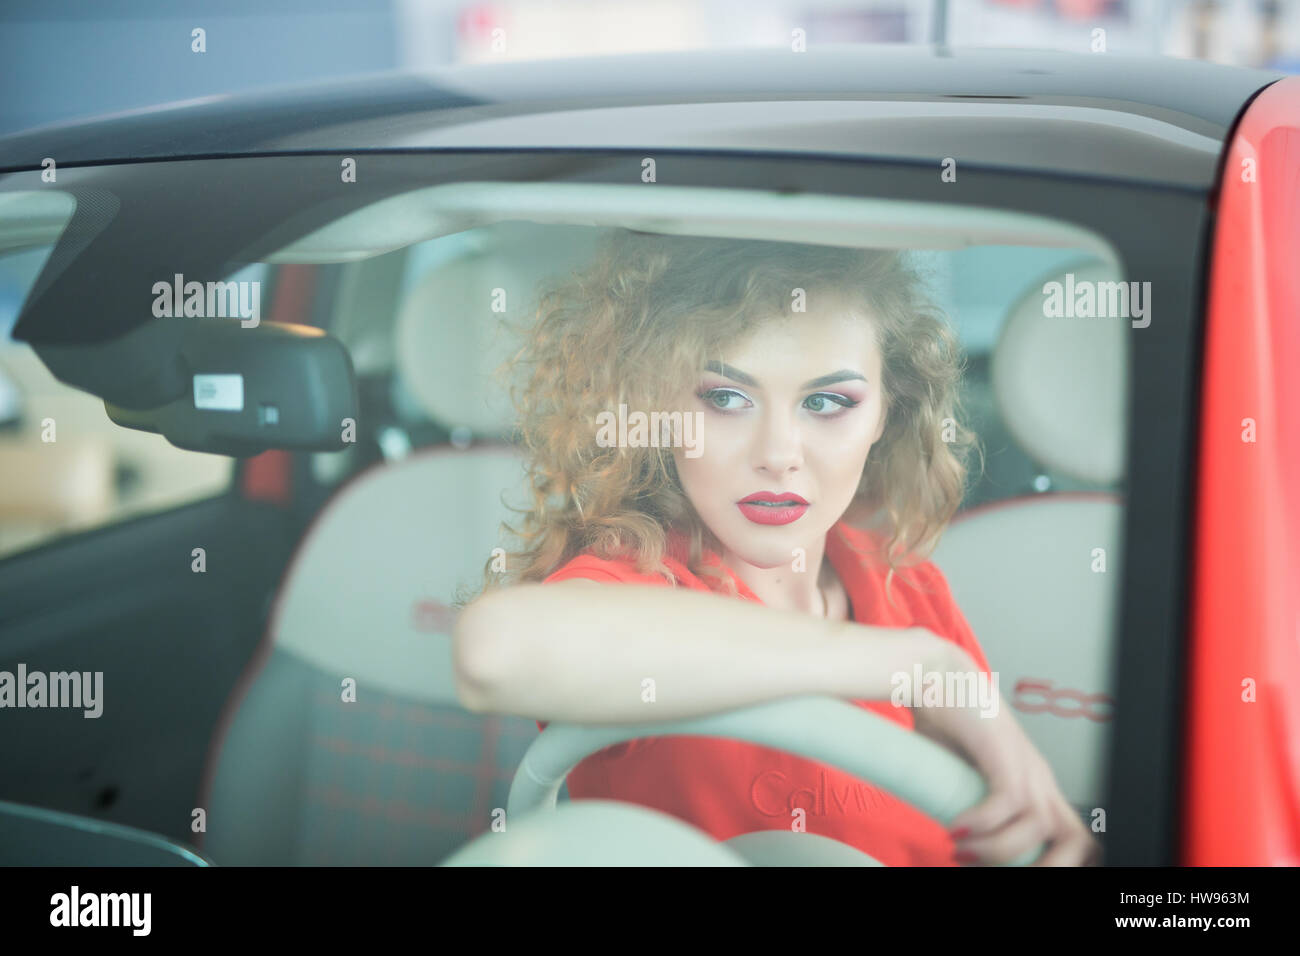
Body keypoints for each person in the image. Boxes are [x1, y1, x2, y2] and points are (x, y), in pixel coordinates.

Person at [452, 230, 1100, 866]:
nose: (777, 456)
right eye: (726, 398)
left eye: (827, 401)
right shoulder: (642, 582)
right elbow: (494, 651)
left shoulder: (909, 589)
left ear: (884, 412)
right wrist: (920, 666)